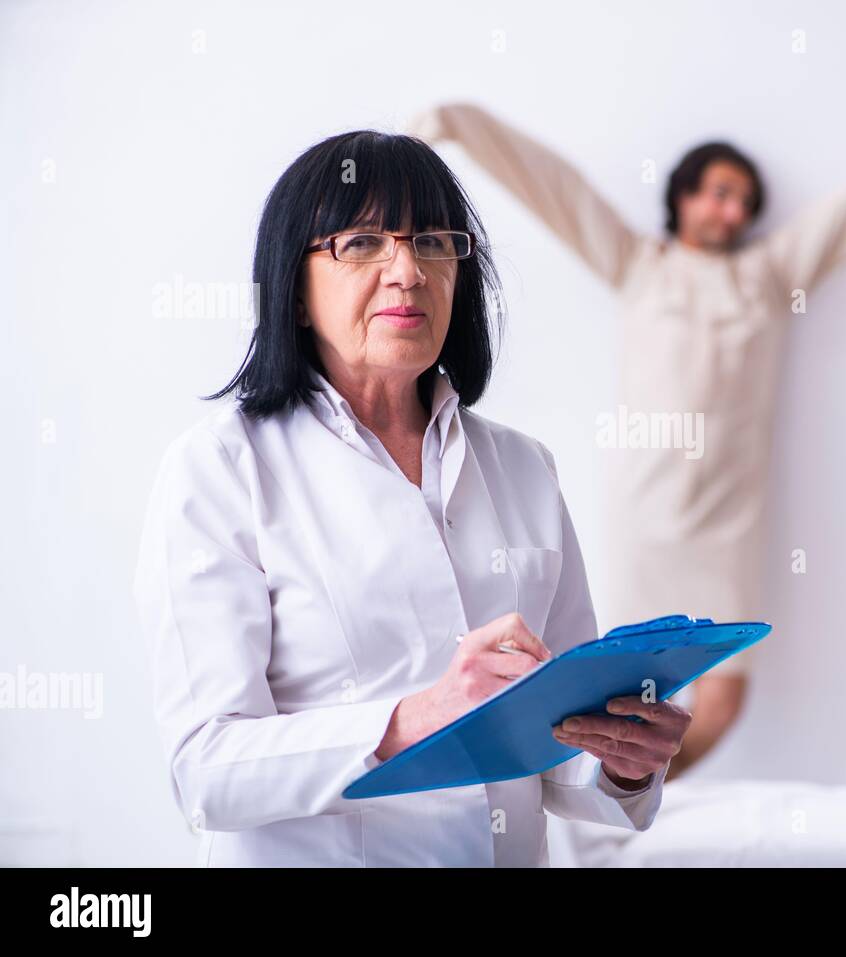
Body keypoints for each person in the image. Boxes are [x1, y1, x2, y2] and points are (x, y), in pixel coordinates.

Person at [407, 103, 846, 777]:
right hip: (647, 514)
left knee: (720, 700)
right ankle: (598, 813)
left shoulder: (769, 277)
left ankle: (614, 806)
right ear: (682, 196)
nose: (732, 211)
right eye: (719, 192)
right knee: (615, 691)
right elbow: (557, 187)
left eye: (744, 201)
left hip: (729, 521)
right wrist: (461, 124)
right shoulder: (638, 266)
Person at [131, 128, 690, 867]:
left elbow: (559, 742)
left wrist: (622, 758)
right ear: (294, 292)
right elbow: (206, 769)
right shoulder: (219, 469)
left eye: (432, 241)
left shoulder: (525, 468)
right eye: (362, 243)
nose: (408, 270)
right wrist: (413, 719)